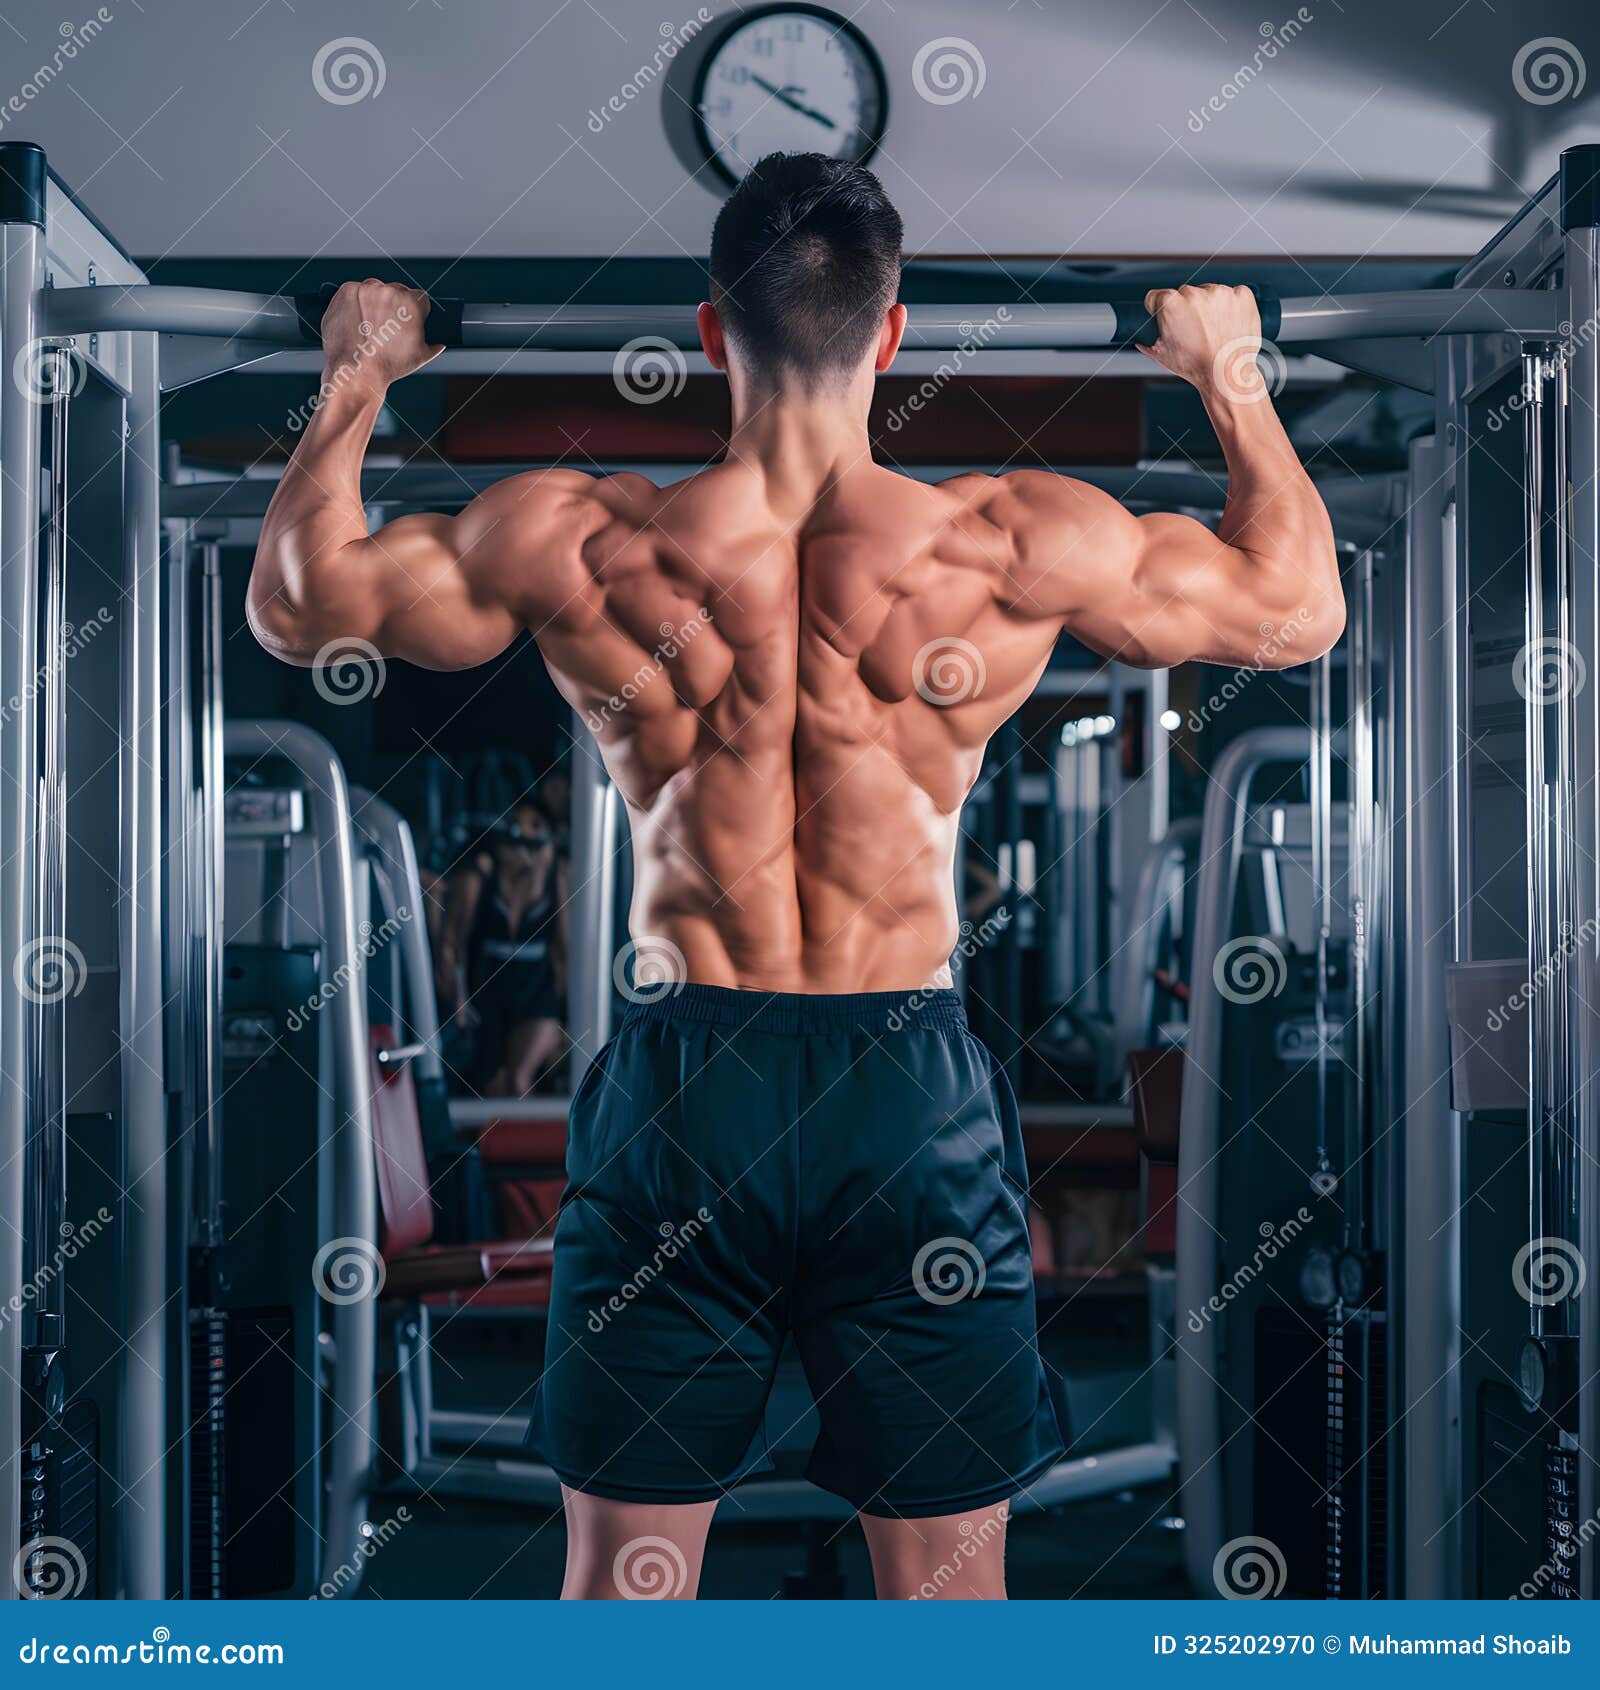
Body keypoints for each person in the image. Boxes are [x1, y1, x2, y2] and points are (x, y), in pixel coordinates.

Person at [246, 151, 1341, 1600]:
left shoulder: (589, 541)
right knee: (947, 1598)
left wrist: (358, 374)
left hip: (687, 1082)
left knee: (624, 1588)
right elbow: (1296, 609)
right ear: (890, 334)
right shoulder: (1006, 543)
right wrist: (1230, 377)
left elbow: (298, 604)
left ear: (712, 332)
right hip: (906, 1086)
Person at [435, 800, 567, 1096]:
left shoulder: (556, 875)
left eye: (536, 827)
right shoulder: (478, 875)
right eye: (517, 826)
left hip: (536, 994)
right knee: (494, 1085)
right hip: (488, 991)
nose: (525, 835)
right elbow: (451, 944)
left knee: (519, 1079)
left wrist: (563, 1017)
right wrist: (458, 1002)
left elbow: (563, 951)